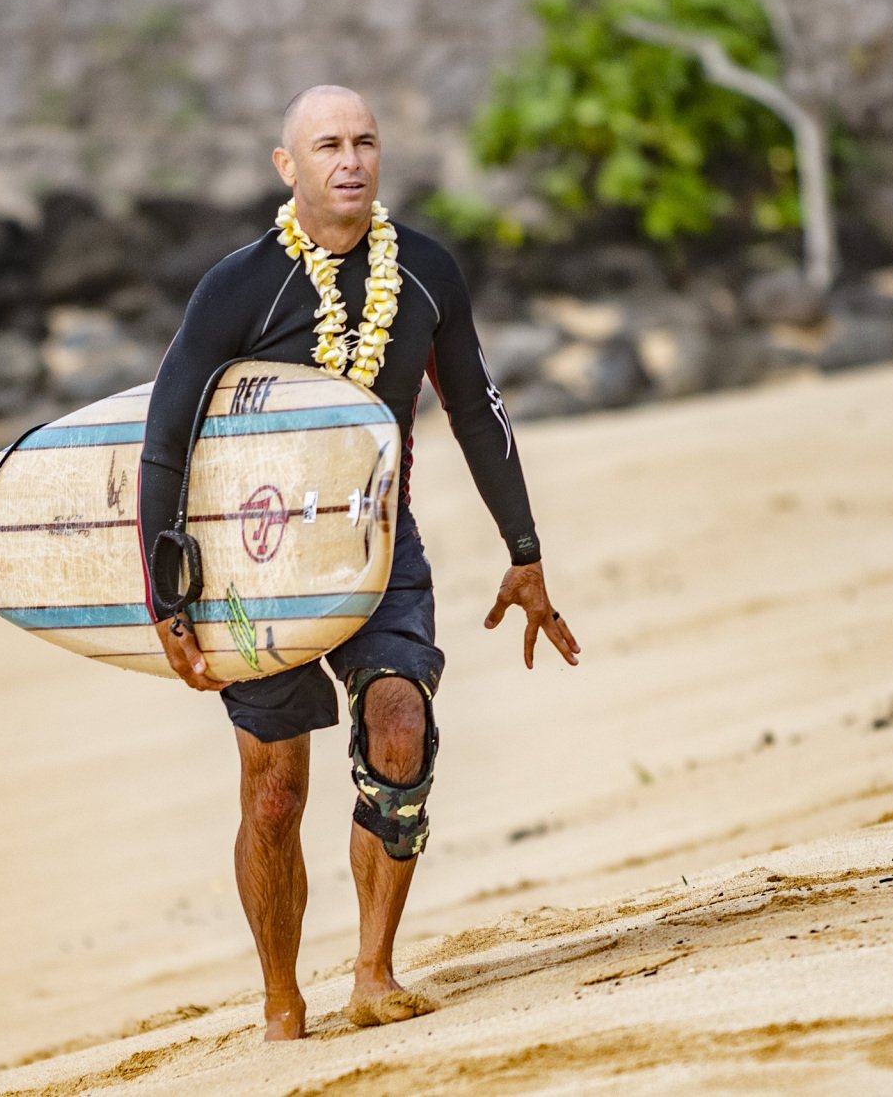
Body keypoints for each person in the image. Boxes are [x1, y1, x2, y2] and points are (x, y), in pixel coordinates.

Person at [139, 86, 582, 1040]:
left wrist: (525, 550)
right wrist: (165, 591)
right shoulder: (237, 288)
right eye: (327, 144)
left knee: (399, 729)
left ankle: (374, 971)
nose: (351, 159)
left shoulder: (422, 273)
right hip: (255, 563)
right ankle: (280, 999)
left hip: (379, 543)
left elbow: (475, 409)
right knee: (272, 795)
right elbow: (165, 438)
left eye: (366, 141)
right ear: (286, 166)